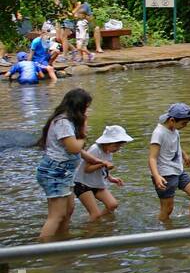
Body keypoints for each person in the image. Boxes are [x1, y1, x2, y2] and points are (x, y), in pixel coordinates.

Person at [36, 89, 100, 241]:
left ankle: (62, 241)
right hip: (56, 172)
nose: (88, 110)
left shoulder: (66, 121)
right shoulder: (63, 122)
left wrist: (93, 159)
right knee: (56, 215)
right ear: (79, 106)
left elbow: (75, 150)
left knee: (68, 210)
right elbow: (74, 148)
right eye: (86, 106)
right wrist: (84, 128)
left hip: (64, 172)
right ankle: (41, 249)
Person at [149, 103, 190, 220]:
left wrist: (184, 155)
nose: (185, 126)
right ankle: (163, 233)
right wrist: (157, 176)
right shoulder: (159, 133)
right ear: (172, 120)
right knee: (167, 209)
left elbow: (174, 144)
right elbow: (152, 158)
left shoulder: (174, 129)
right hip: (165, 175)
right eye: (184, 123)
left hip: (178, 170)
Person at [73, 125, 132, 220]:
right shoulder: (95, 149)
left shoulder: (108, 152)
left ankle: (99, 225)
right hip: (82, 184)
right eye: (115, 146)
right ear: (107, 142)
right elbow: (87, 169)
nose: (117, 149)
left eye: (120, 146)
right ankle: (91, 229)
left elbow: (103, 170)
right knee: (95, 214)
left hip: (96, 184)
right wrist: (102, 164)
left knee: (112, 205)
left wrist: (111, 178)